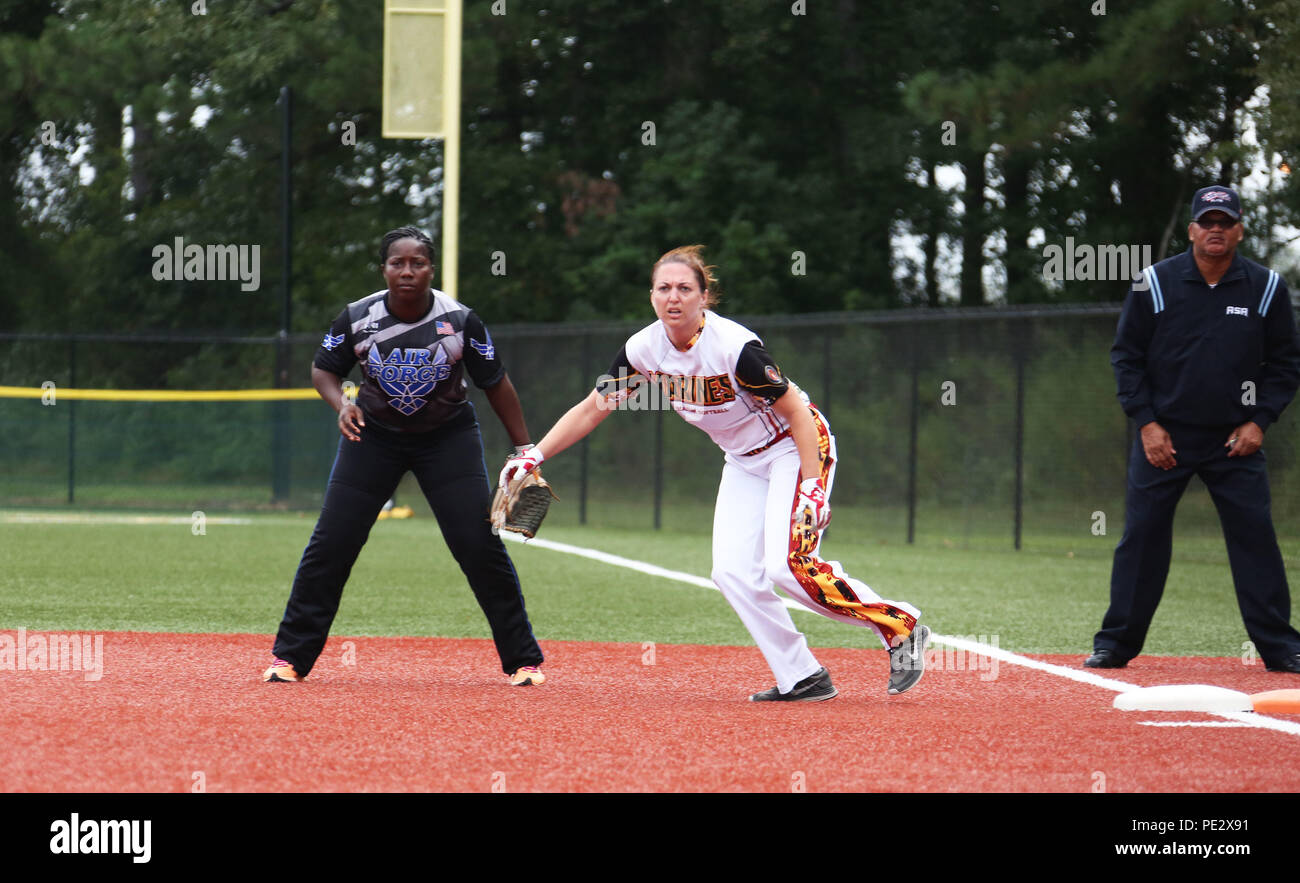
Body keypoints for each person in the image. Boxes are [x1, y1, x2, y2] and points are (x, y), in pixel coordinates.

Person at [499, 245, 930, 701]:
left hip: (793, 447)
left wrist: (810, 487)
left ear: (704, 297)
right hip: (744, 460)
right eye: (664, 288)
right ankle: (801, 676)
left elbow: (799, 414)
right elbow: (592, 408)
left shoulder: (734, 348)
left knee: (787, 568)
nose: (674, 297)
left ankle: (899, 625)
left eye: (685, 288)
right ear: (651, 296)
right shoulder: (643, 349)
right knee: (731, 572)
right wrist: (534, 455)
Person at [263, 226, 547, 686]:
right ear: (384, 269)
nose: (408, 271)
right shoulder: (358, 317)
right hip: (372, 437)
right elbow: (324, 370)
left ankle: (523, 661)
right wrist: (344, 405)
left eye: (418, 263)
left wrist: (524, 449)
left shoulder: (459, 320)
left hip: (447, 438)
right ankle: (289, 657)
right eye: (398, 262)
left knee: (477, 546)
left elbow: (495, 382)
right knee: (333, 543)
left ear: (431, 269)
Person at [1086, 185, 1300, 673]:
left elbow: (1286, 364)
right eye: (1208, 222)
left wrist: (1259, 421)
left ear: (1240, 228)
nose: (1216, 230)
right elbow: (1127, 358)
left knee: (1255, 539)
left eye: (1226, 222)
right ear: (1192, 231)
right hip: (1165, 439)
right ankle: (1115, 645)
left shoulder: (1267, 289)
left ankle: (1281, 647)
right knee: (1141, 538)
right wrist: (1147, 423)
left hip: (1235, 442)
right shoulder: (1153, 284)